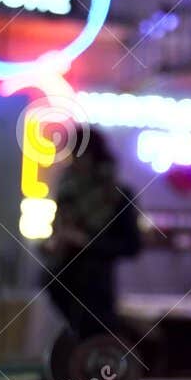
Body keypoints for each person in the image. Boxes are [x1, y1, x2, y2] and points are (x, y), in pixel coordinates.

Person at [43, 131, 140, 341]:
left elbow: (132, 246)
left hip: (97, 290)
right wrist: (55, 242)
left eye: (79, 156)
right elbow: (57, 229)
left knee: (97, 343)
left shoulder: (117, 196)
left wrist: (87, 242)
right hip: (64, 281)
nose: (75, 163)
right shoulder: (67, 189)